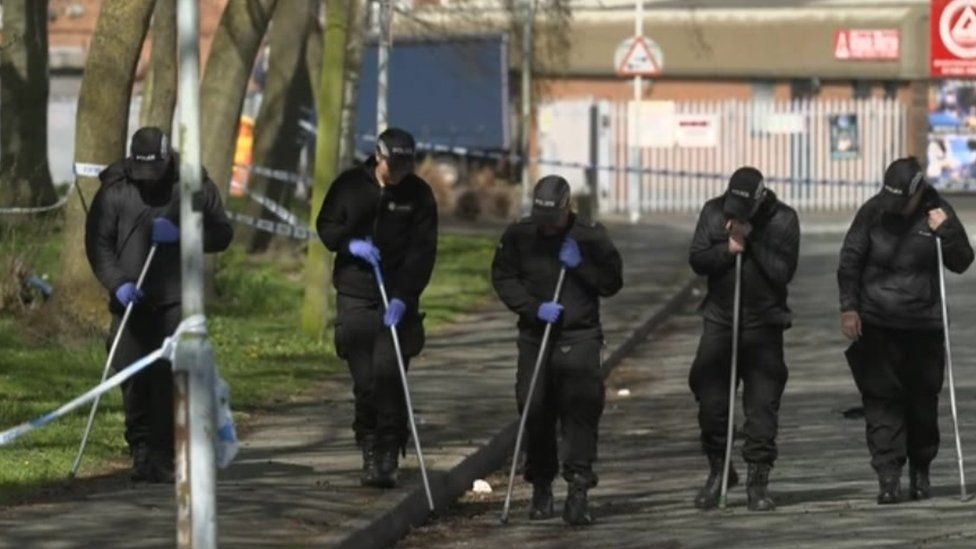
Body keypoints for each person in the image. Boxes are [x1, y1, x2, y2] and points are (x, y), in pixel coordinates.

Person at [85, 126, 233, 482]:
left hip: (176, 299)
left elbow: (222, 233)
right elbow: (97, 244)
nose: (148, 181)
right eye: (142, 173)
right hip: (130, 300)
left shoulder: (193, 185)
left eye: (155, 172)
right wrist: (118, 283)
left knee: (169, 376)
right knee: (131, 374)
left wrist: (186, 234)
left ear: (168, 160)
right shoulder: (115, 190)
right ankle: (141, 449)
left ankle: (164, 453)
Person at [838, 157, 974, 504]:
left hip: (923, 325)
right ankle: (888, 476)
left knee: (922, 404)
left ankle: (920, 469)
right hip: (877, 322)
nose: (895, 207)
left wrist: (947, 231)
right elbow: (850, 259)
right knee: (881, 402)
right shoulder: (873, 212)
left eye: (902, 201)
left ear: (918, 192)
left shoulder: (938, 211)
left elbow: (962, 261)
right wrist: (849, 307)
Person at [491, 175, 623, 526]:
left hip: (579, 336)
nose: (546, 226)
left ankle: (578, 488)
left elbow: (612, 282)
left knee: (580, 410)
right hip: (536, 335)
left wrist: (582, 265)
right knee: (533, 407)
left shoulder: (590, 236)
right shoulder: (520, 235)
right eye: (541, 218)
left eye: (552, 219)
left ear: (567, 208)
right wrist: (533, 308)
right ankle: (541, 483)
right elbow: (503, 277)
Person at [316, 128, 438, 489]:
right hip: (355, 294)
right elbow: (326, 226)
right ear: (379, 157)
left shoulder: (419, 195)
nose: (399, 174)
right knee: (365, 382)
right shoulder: (349, 186)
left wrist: (405, 296)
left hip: (396, 298)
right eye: (393, 167)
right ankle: (368, 444)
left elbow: (423, 251)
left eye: (405, 168)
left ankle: (388, 451)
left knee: (389, 377)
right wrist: (349, 244)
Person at [688, 167, 799, 511]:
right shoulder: (713, 211)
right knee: (711, 403)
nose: (737, 214)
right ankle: (720, 469)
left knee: (762, 408)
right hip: (720, 322)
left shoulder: (783, 219)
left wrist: (753, 242)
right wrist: (728, 249)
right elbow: (697, 259)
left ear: (760, 199)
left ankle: (758, 479)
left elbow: (783, 272)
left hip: (764, 324)